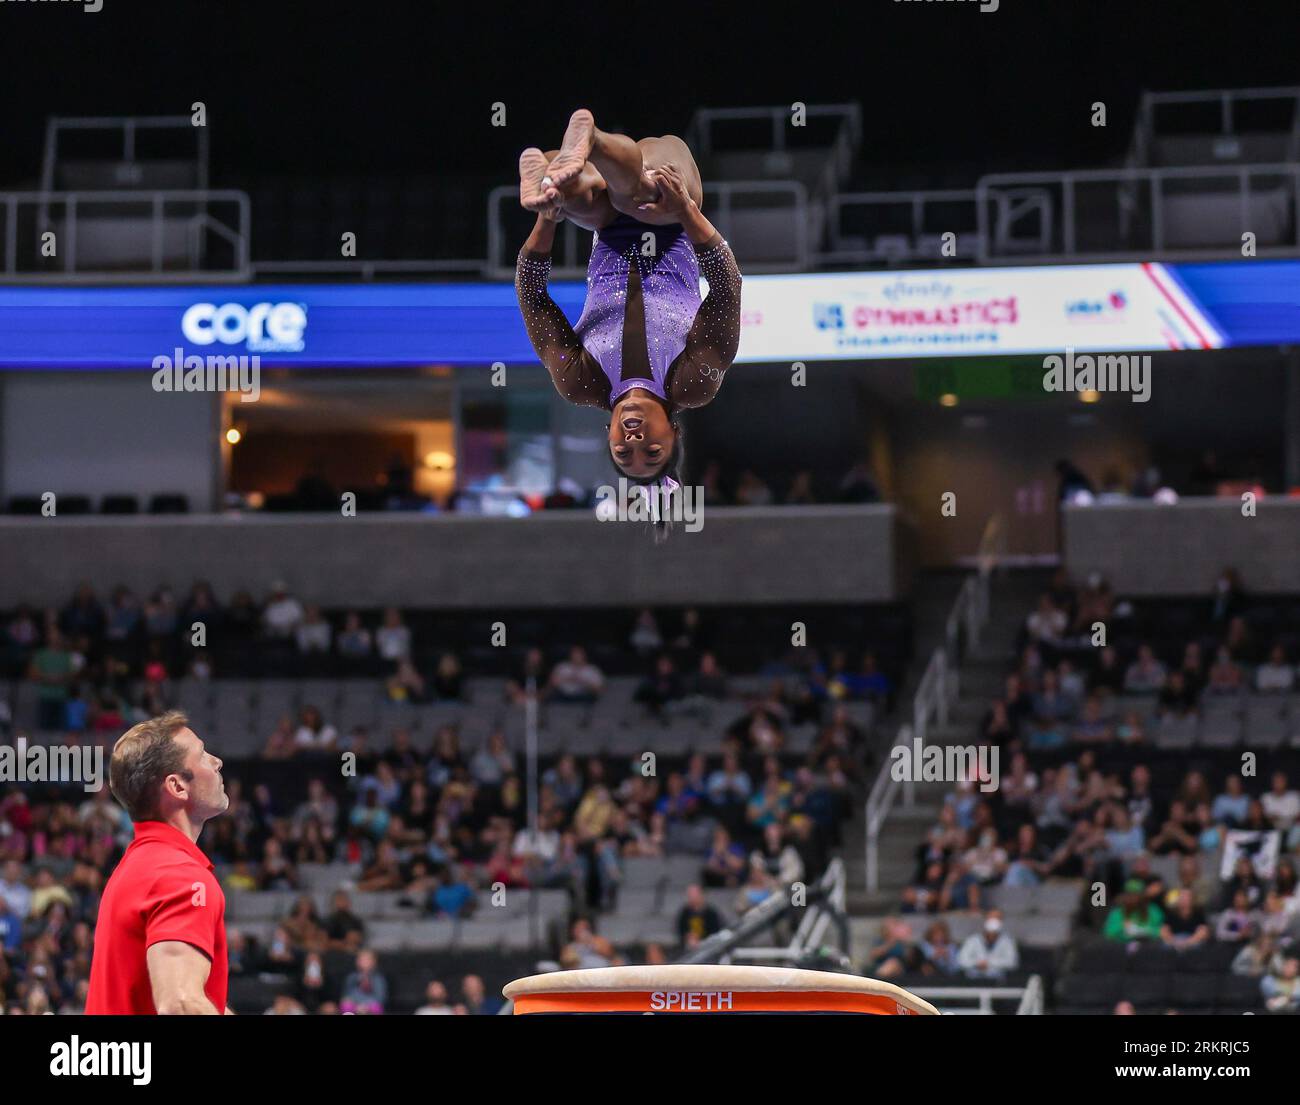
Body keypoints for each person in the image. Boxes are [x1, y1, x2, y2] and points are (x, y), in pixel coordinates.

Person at [515, 109, 742, 530]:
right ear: (674, 433)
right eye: (652, 453)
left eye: (624, 453)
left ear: (609, 439)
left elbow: (532, 294)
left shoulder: (581, 381)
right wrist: (689, 211)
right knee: (640, 190)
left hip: (608, 228)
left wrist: (545, 221)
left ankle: (552, 184)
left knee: (581, 199)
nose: (635, 442)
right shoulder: (693, 382)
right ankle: (590, 142)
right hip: (673, 218)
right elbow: (727, 285)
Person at [86, 711, 231, 1014]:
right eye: (203, 755)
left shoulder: (138, 867)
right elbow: (179, 1004)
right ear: (177, 787)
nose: (217, 761)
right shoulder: (180, 876)